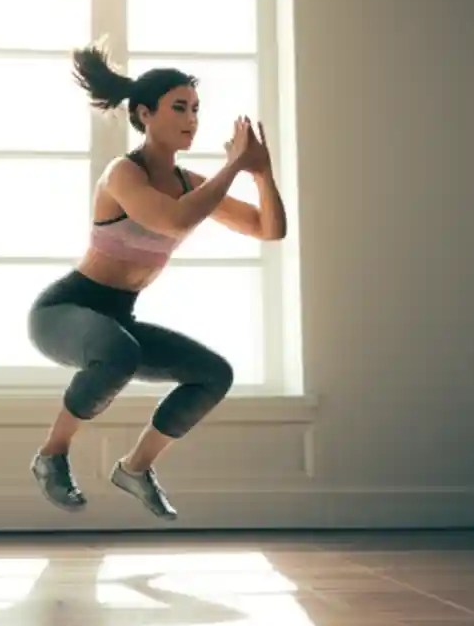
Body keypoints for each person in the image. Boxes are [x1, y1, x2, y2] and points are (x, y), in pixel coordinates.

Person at [26, 42, 287, 520]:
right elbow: (173, 220)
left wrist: (261, 173)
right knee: (119, 354)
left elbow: (270, 229)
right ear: (145, 114)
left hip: (118, 320)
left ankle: (135, 468)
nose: (191, 119)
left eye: (196, 109)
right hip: (64, 311)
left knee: (213, 374)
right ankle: (51, 456)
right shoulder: (123, 174)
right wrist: (233, 165)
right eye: (179, 107)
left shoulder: (191, 184)